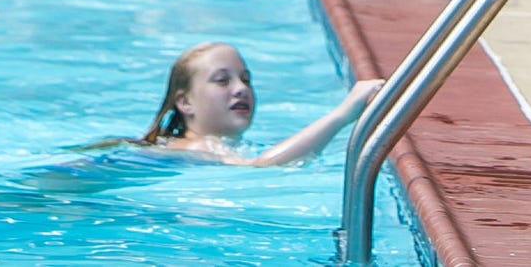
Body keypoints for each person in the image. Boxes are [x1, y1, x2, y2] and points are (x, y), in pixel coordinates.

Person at [130, 42, 382, 167]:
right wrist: (341, 115)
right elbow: (261, 169)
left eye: (246, 79)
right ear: (185, 102)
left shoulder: (189, 146)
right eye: (222, 81)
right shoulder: (202, 145)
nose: (241, 89)